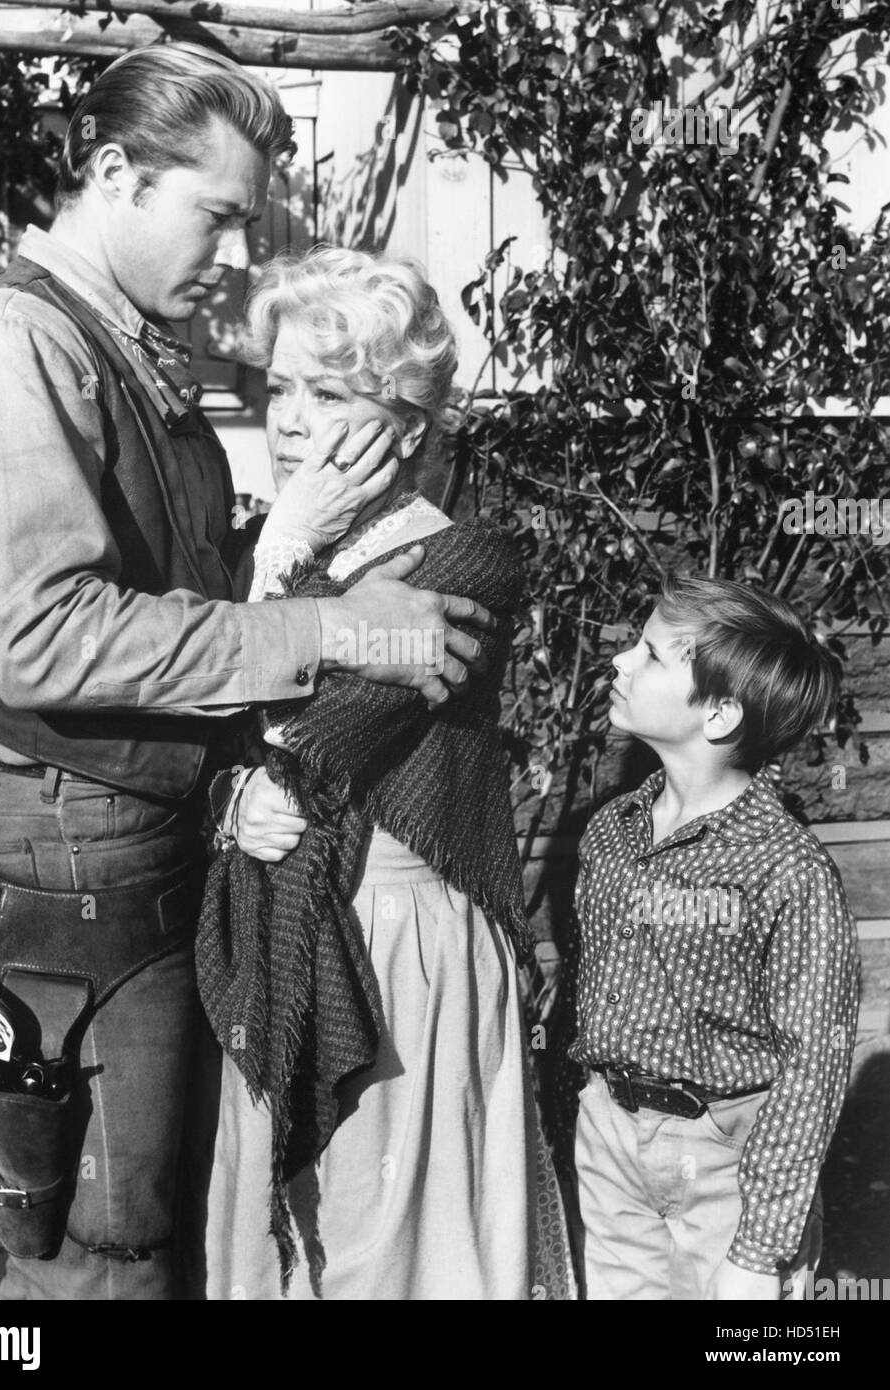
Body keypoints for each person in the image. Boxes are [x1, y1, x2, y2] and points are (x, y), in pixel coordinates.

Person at [0, 44, 495, 1302]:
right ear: (114, 173)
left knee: (154, 1226)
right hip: (76, 841)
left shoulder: (114, 349)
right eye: (216, 213)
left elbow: (176, 590)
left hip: (144, 830)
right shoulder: (7, 350)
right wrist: (323, 628)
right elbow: (47, 636)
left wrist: (277, 561)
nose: (232, 253)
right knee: (97, 1248)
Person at [195, 247, 576, 1301]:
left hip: (399, 948)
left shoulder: (460, 562)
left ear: (406, 424)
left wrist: (274, 568)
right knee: (293, 1241)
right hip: (288, 927)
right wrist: (232, 799)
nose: (287, 419)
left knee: (385, 1250)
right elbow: (219, 748)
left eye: (327, 392)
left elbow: (304, 736)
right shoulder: (272, 555)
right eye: (278, 387)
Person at [569, 574, 861, 1300]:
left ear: (722, 712)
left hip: (730, 1156)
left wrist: (760, 1250)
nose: (619, 663)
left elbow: (812, 1064)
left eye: (652, 656)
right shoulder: (611, 833)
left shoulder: (787, 870)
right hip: (610, 1133)